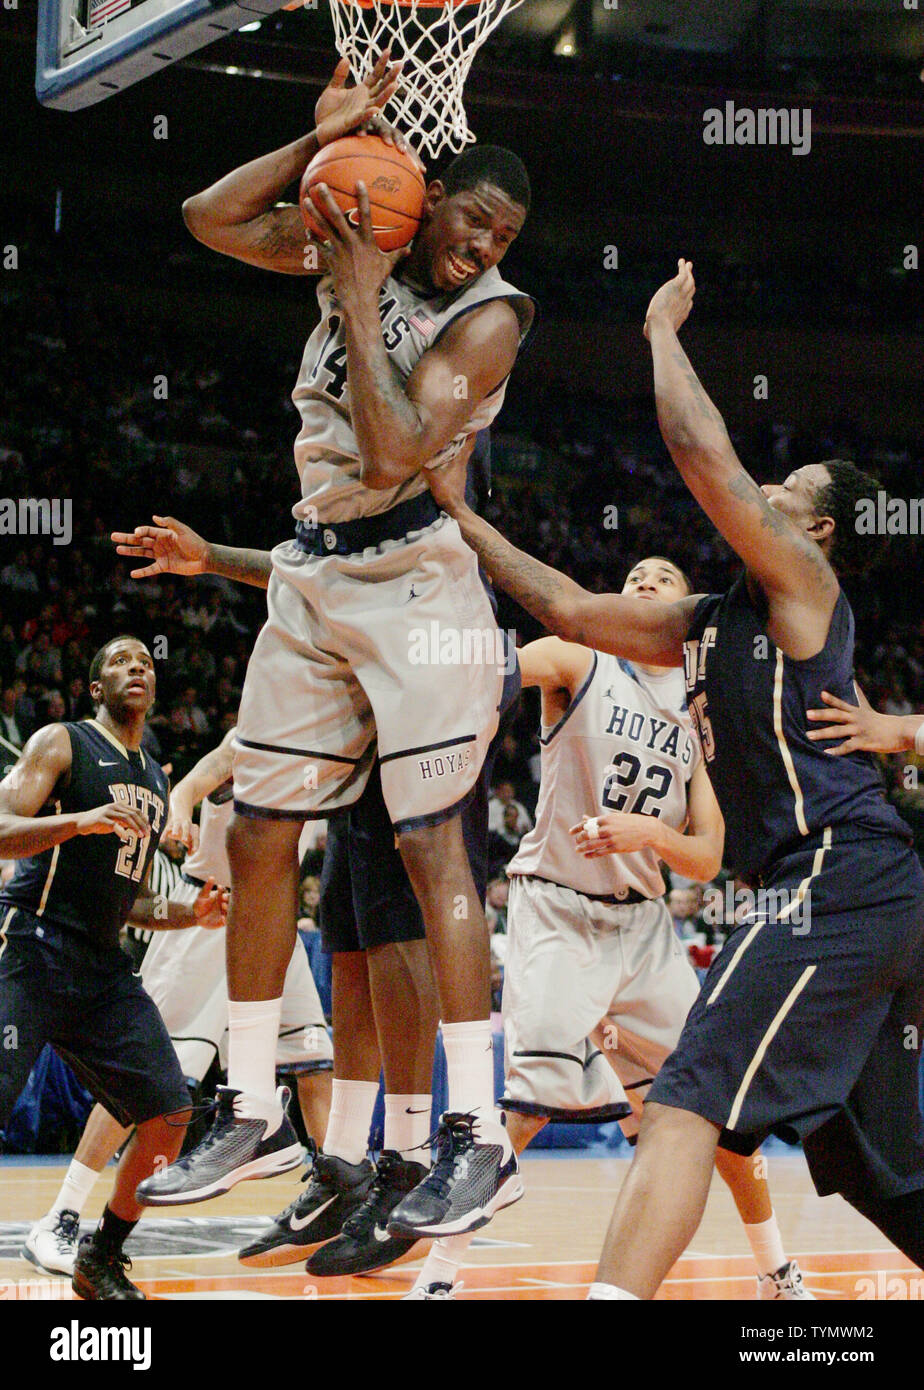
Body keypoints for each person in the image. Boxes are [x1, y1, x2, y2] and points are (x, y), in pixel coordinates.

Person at [423, 261, 924, 1297]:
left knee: (687, 1096)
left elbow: (703, 454)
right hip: (844, 890)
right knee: (882, 1169)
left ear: (817, 528)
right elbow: (565, 605)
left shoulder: (807, 584)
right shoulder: (705, 621)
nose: (766, 493)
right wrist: (455, 513)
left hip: (836, 875)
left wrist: (659, 331)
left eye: (787, 492)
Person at [115, 52, 535, 1238]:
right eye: (477, 223)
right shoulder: (359, 238)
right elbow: (206, 217)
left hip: (419, 584)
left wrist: (355, 286)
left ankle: (475, 1136)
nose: (486, 246)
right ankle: (249, 1098)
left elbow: (399, 452)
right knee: (256, 830)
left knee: (429, 845)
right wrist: (321, 146)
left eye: (504, 236)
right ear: (430, 194)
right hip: (314, 566)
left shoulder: (490, 317)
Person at [408, 558, 808, 1301]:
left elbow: (708, 857)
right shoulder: (578, 657)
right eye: (634, 577)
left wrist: (647, 835)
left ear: (684, 609)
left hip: (647, 931)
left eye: (665, 576)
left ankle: (777, 1273)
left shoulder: (698, 719)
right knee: (527, 1109)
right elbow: (487, 673)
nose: (647, 582)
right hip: (559, 907)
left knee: (711, 1115)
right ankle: (437, 1281)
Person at [22, 726, 333, 1274]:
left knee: (314, 1061)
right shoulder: (248, 739)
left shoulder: (326, 751)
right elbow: (190, 786)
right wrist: (183, 810)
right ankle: (63, 1213)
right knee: (140, 1079)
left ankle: (333, 1192)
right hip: (208, 919)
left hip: (272, 922)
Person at [0, 636, 226, 1299]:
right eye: (123, 662)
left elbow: (136, 901)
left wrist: (192, 914)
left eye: (147, 663)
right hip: (35, 947)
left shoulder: (155, 778)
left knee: (169, 1112)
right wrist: (78, 821)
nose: (138, 669)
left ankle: (100, 1256)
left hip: (102, 967)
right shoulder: (61, 743)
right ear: (96, 688)